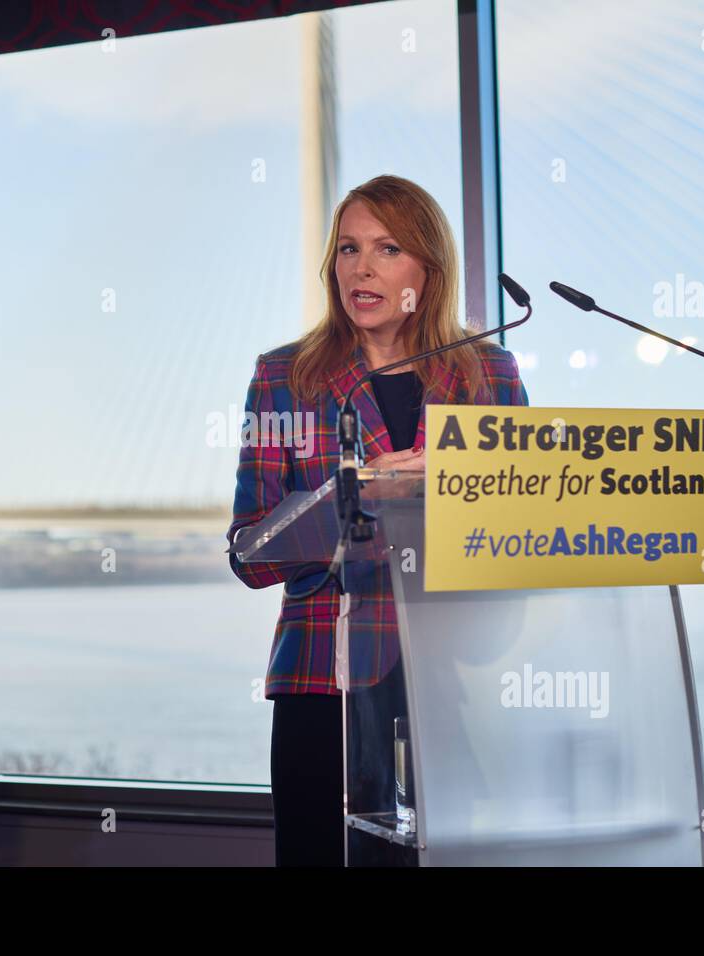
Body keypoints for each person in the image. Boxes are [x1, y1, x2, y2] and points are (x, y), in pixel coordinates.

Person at [225, 174, 529, 867]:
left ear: (429, 267)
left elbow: (518, 533)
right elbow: (249, 554)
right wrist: (358, 493)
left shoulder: (492, 376)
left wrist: (447, 496)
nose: (361, 268)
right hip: (320, 685)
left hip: (453, 678)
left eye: (388, 249)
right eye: (348, 249)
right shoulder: (285, 377)